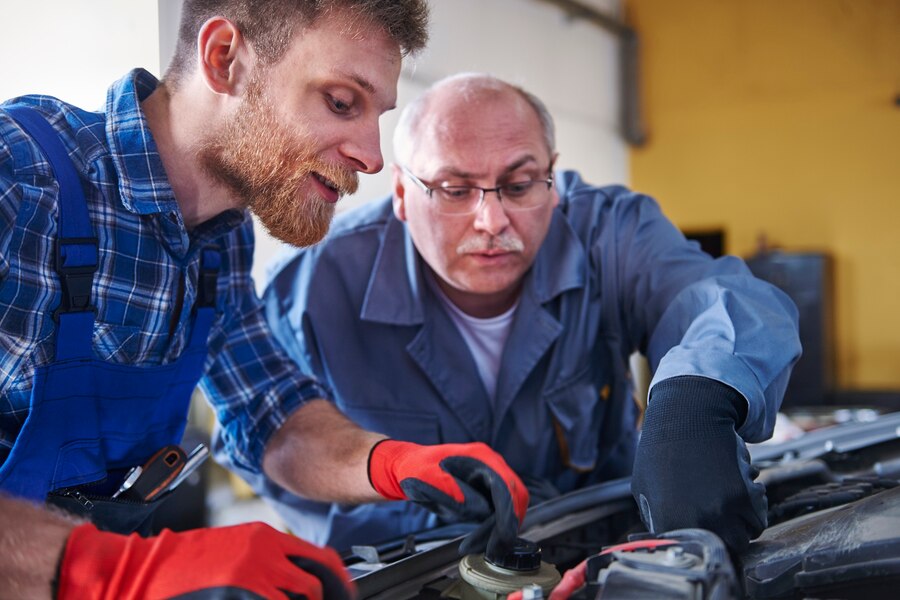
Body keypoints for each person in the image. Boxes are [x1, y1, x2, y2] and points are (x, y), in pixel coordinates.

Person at [0, 3, 530, 598]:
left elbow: (269, 414)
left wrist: (391, 464)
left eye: (375, 115)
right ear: (224, 58)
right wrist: (113, 571)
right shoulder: (17, 179)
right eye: (340, 102)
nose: (372, 156)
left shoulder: (221, 239)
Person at [245, 72, 802, 554]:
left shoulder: (605, 233)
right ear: (400, 191)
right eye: (454, 188)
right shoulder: (310, 290)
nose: (491, 220)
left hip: (594, 555)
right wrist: (421, 512)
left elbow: (721, 298)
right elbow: (267, 448)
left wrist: (695, 400)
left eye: (518, 184)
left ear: (552, 176)